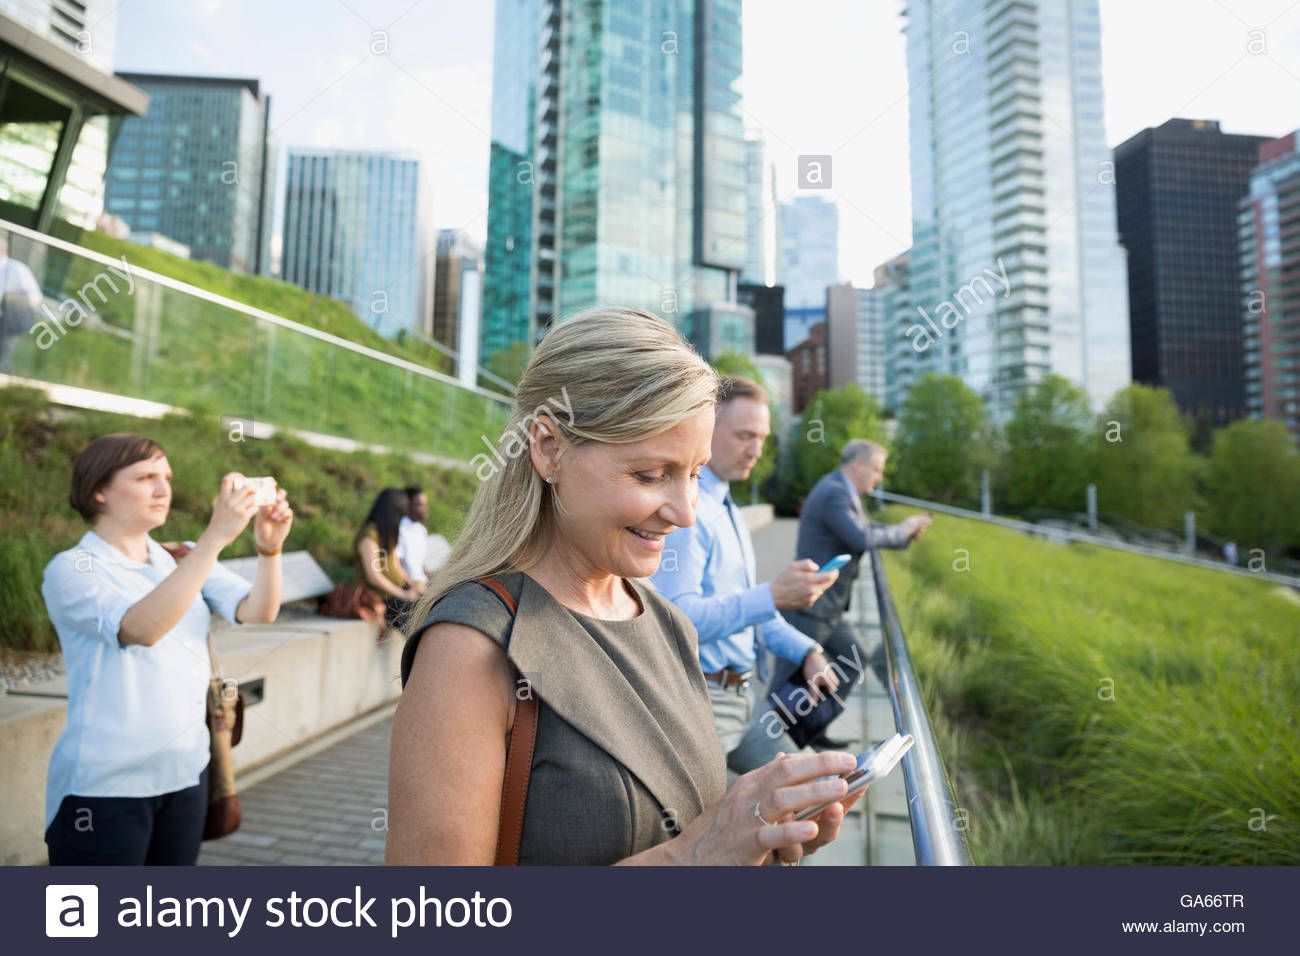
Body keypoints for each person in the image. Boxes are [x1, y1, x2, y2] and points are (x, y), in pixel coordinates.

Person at [387, 308, 862, 866]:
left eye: (694, 473)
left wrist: (755, 831)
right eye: (650, 474)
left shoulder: (667, 621)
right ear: (548, 449)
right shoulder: (469, 649)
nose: (686, 513)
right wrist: (692, 857)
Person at [41, 434, 293, 865]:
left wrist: (269, 549)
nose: (163, 489)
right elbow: (141, 628)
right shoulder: (71, 568)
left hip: (185, 776)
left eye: (167, 477)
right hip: (104, 790)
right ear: (98, 490)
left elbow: (258, 611)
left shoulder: (180, 556)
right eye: (145, 477)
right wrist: (215, 538)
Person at [651, 375, 840, 773]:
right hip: (703, 703)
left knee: (809, 797)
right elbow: (677, 623)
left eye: (763, 437)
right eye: (744, 436)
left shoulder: (727, 508)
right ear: (705, 429)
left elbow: (748, 611)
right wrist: (772, 595)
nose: (756, 450)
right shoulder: (691, 513)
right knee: (771, 817)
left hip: (743, 698)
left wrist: (806, 650)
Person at [764, 439, 930, 739]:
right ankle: (772, 751)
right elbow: (860, 538)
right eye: (876, 469)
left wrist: (903, 535)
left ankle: (813, 729)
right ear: (857, 464)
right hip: (809, 605)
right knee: (783, 686)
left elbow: (866, 530)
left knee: (853, 662)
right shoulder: (834, 493)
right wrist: (902, 531)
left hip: (829, 608)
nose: (879, 477)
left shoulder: (843, 491)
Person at [355, 487, 421, 628]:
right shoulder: (370, 536)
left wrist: (414, 585)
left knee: (426, 603)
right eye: (401, 515)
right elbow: (374, 576)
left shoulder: (388, 535)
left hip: (394, 592)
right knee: (411, 616)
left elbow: (395, 566)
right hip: (379, 596)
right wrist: (403, 594)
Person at [0, 233, 42, 373]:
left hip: (8, 321)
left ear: (4, 249)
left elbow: (35, 297)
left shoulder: (17, 269)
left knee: (3, 357)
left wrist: (12, 301)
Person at [396, 484, 430, 587]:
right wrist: (414, 585)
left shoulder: (421, 530)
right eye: (420, 505)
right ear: (407, 506)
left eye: (426, 504)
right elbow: (397, 565)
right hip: (406, 586)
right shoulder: (400, 528)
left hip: (422, 584)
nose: (425, 508)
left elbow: (419, 566)